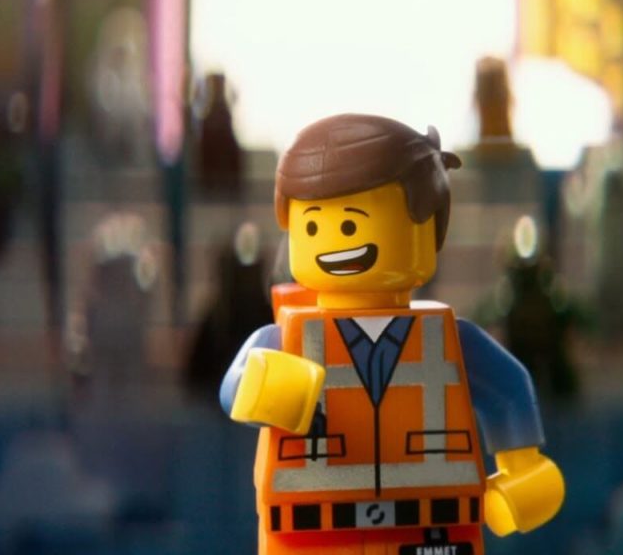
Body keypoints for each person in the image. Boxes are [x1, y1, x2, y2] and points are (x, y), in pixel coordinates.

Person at [219, 114, 563, 554]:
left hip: (432, 524)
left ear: (427, 223)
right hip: (311, 526)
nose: (335, 241)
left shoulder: (451, 343)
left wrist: (523, 469)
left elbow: (508, 391)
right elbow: (233, 386)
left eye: (351, 224)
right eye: (313, 225)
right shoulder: (285, 340)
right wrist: (258, 387)